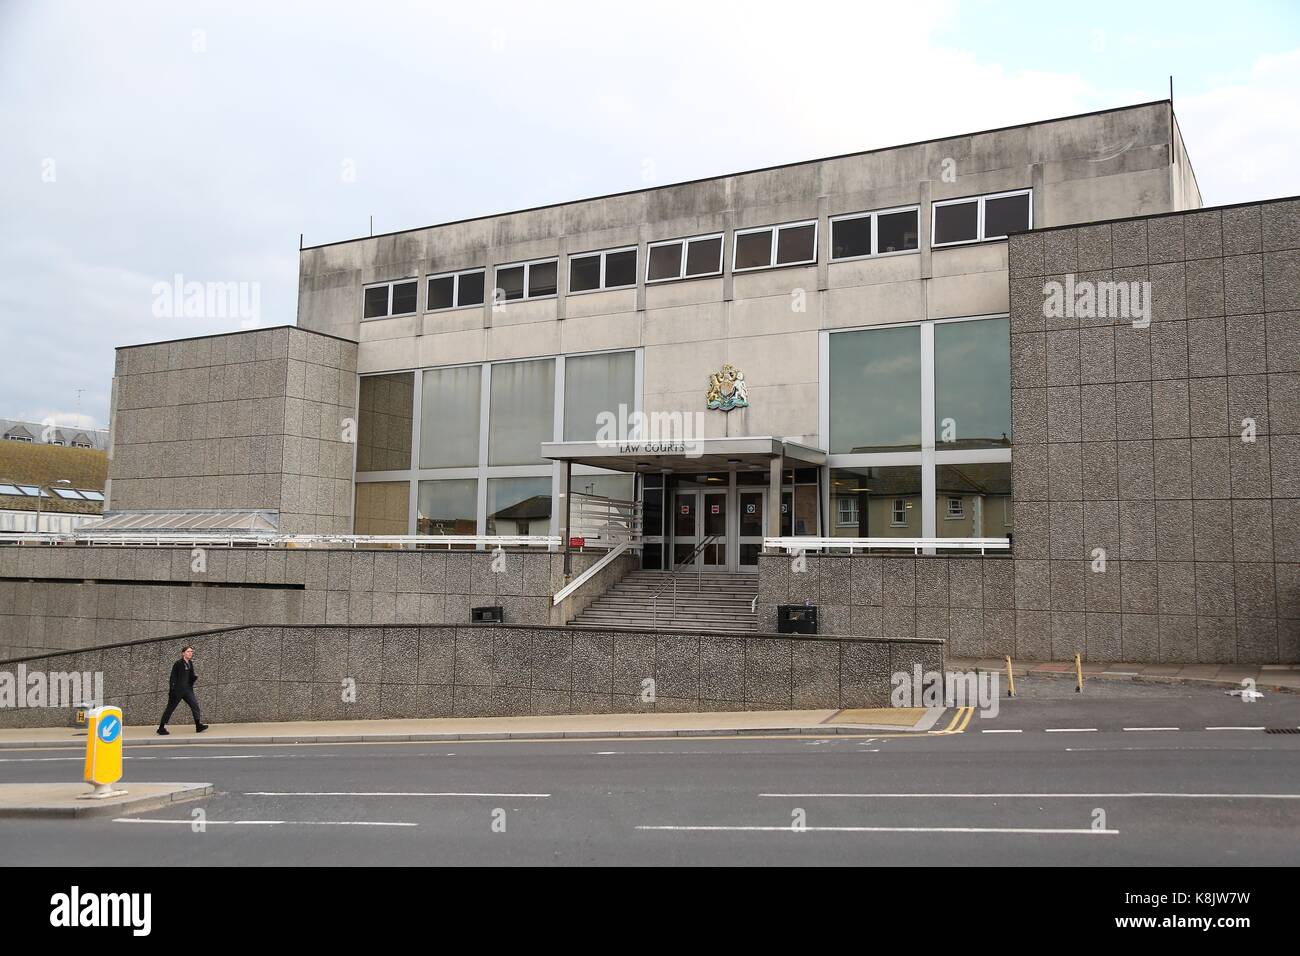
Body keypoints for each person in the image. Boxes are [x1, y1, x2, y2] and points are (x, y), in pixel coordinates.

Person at [157, 645, 209, 735]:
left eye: (191, 651)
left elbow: (190, 675)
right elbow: (172, 678)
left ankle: (198, 726)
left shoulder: (190, 663)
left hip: (188, 690)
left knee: (195, 706)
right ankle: (161, 728)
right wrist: (172, 690)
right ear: (183, 653)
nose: (190, 653)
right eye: (188, 651)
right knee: (170, 708)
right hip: (177, 691)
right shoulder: (178, 664)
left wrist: (194, 678)